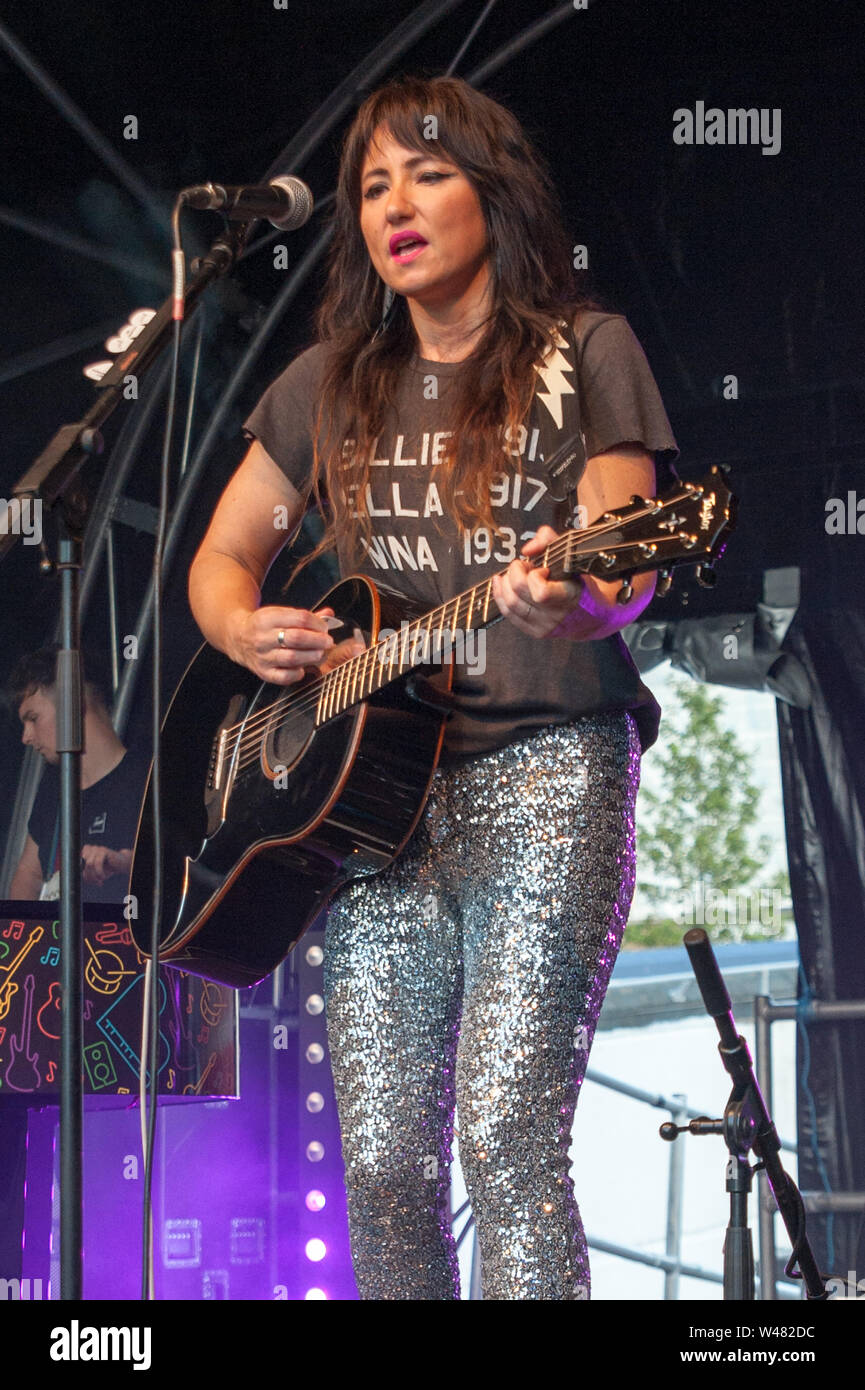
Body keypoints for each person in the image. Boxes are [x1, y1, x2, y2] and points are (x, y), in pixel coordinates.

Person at [188, 75, 679, 1300]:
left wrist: (576, 595)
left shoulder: (585, 351)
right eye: (370, 186)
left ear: (491, 191)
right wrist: (250, 630)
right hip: (371, 809)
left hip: (548, 770)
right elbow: (219, 557)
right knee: (387, 1166)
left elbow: (626, 563)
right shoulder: (326, 383)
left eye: (428, 170)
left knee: (505, 1140)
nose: (394, 204)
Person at [8, 647, 148, 903]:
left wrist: (124, 864)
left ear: (74, 704)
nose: (26, 737)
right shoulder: (53, 789)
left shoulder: (147, 778)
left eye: (33, 718)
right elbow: (29, 875)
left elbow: (176, 871)